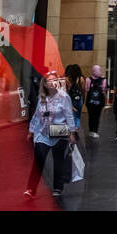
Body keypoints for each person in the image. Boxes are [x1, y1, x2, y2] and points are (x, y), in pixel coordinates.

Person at [25, 70, 77, 202]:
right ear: (45, 83)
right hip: (43, 132)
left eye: (55, 80)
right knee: (38, 159)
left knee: (58, 160)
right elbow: (37, 115)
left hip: (59, 131)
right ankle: (31, 189)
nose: (52, 83)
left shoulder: (63, 97)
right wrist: (31, 130)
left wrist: (71, 132)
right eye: (49, 80)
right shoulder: (42, 97)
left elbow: (69, 115)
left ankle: (57, 188)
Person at [85, 65, 108, 138]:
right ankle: (93, 131)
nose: (99, 71)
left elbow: (86, 89)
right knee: (94, 116)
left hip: (92, 101)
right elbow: (105, 90)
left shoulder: (88, 79)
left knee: (93, 116)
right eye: (98, 70)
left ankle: (92, 131)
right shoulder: (103, 80)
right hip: (96, 101)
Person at [65, 64, 86, 129]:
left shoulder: (69, 78)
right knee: (78, 115)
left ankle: (72, 127)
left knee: (71, 114)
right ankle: (77, 127)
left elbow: (67, 90)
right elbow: (83, 90)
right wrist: (83, 99)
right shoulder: (81, 79)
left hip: (71, 99)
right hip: (79, 99)